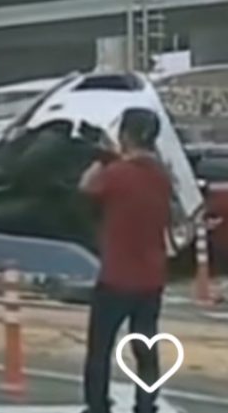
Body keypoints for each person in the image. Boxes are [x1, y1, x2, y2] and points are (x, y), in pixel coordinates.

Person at [79, 107, 172, 413]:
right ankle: (146, 403)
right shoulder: (162, 176)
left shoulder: (116, 174)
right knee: (145, 345)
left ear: (125, 135)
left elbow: (86, 188)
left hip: (117, 277)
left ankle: (97, 405)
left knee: (100, 348)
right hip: (151, 278)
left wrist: (101, 158)